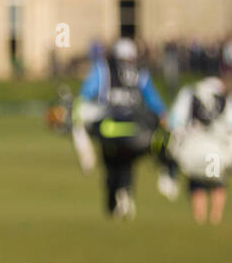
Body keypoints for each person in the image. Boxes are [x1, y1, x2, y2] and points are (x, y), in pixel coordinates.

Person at [72, 38, 169, 218]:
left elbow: (85, 94)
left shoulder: (103, 68)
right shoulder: (138, 71)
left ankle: (119, 197)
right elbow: (152, 98)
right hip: (130, 128)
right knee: (125, 160)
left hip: (110, 128)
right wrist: (163, 114)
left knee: (116, 161)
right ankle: (124, 195)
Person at [167, 67, 232, 224]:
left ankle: (200, 219)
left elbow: (176, 120)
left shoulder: (191, 91)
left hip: (194, 147)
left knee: (197, 182)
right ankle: (215, 218)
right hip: (217, 149)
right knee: (217, 181)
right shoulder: (227, 96)